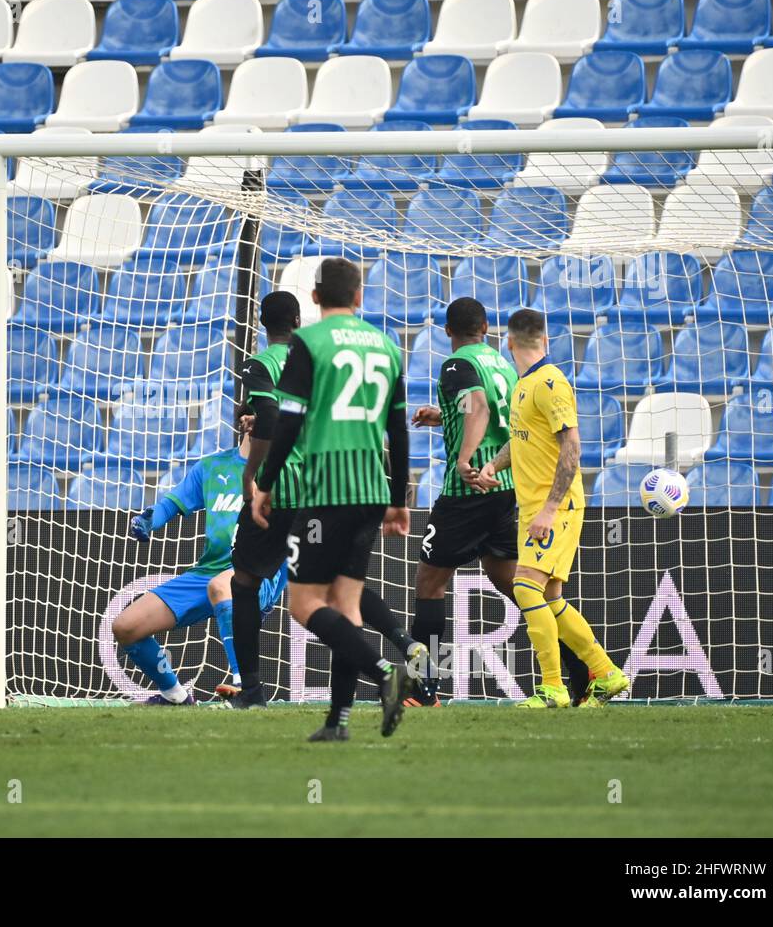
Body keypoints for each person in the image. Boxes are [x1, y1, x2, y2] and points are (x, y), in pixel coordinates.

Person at [251, 258, 414, 738]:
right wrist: (398, 496)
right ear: (359, 296)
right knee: (347, 608)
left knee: (304, 605)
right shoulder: (387, 346)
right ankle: (338, 722)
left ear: (316, 298)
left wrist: (265, 482)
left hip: (327, 491)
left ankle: (385, 673)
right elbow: (397, 430)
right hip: (371, 488)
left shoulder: (309, 342)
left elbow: (290, 421)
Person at [407, 297, 591, 707]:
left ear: (447, 332)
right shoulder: (503, 365)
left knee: (430, 585)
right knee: (519, 587)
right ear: (487, 328)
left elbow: (477, 409)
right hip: (509, 489)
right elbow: (500, 411)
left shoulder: (457, 364)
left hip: (469, 493)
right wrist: (442, 415)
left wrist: (464, 459)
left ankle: (422, 691)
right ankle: (583, 674)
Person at [474, 308, 630, 709]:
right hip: (533, 507)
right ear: (545, 339)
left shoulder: (551, 381)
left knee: (525, 587)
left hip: (553, 507)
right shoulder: (523, 385)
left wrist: (549, 509)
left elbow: (573, 447)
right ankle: (607, 673)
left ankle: (553, 687)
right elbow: (524, 439)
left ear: (508, 342)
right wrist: (494, 464)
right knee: (552, 599)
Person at [114, 410, 287, 705]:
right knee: (126, 626)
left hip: (260, 571)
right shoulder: (213, 467)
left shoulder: (286, 469)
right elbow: (172, 503)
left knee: (223, 586)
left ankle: (247, 690)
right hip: (208, 573)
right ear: (247, 421)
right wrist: (148, 520)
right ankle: (175, 696)